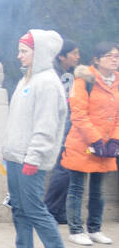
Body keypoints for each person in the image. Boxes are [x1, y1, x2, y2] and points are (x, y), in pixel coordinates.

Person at [2, 30, 71, 248]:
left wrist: (34, 157)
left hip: (31, 159)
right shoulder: (26, 80)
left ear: (38, 52)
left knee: (34, 208)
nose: (18, 55)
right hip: (14, 157)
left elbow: (46, 126)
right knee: (19, 207)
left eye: (24, 51)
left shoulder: (48, 83)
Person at [60, 41, 119, 246]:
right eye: (110, 56)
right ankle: (76, 229)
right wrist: (95, 139)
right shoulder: (84, 80)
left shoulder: (118, 81)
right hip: (82, 142)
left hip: (106, 144)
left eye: (117, 56)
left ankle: (95, 228)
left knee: (98, 189)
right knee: (76, 188)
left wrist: (114, 139)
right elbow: (78, 114)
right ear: (96, 59)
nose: (114, 59)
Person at [44, 38, 81, 223]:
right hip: (57, 126)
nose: (77, 57)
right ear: (61, 56)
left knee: (67, 169)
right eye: (74, 53)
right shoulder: (52, 75)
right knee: (63, 169)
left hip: (69, 125)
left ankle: (56, 210)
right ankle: (49, 210)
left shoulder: (70, 74)